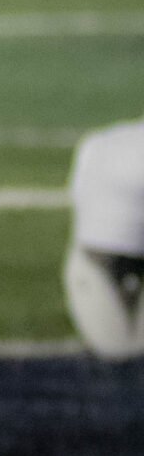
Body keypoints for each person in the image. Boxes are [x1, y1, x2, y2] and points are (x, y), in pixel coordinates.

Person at [66, 119, 144, 360]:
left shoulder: (101, 144)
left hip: (93, 261)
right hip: (98, 263)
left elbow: (78, 199)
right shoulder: (106, 146)